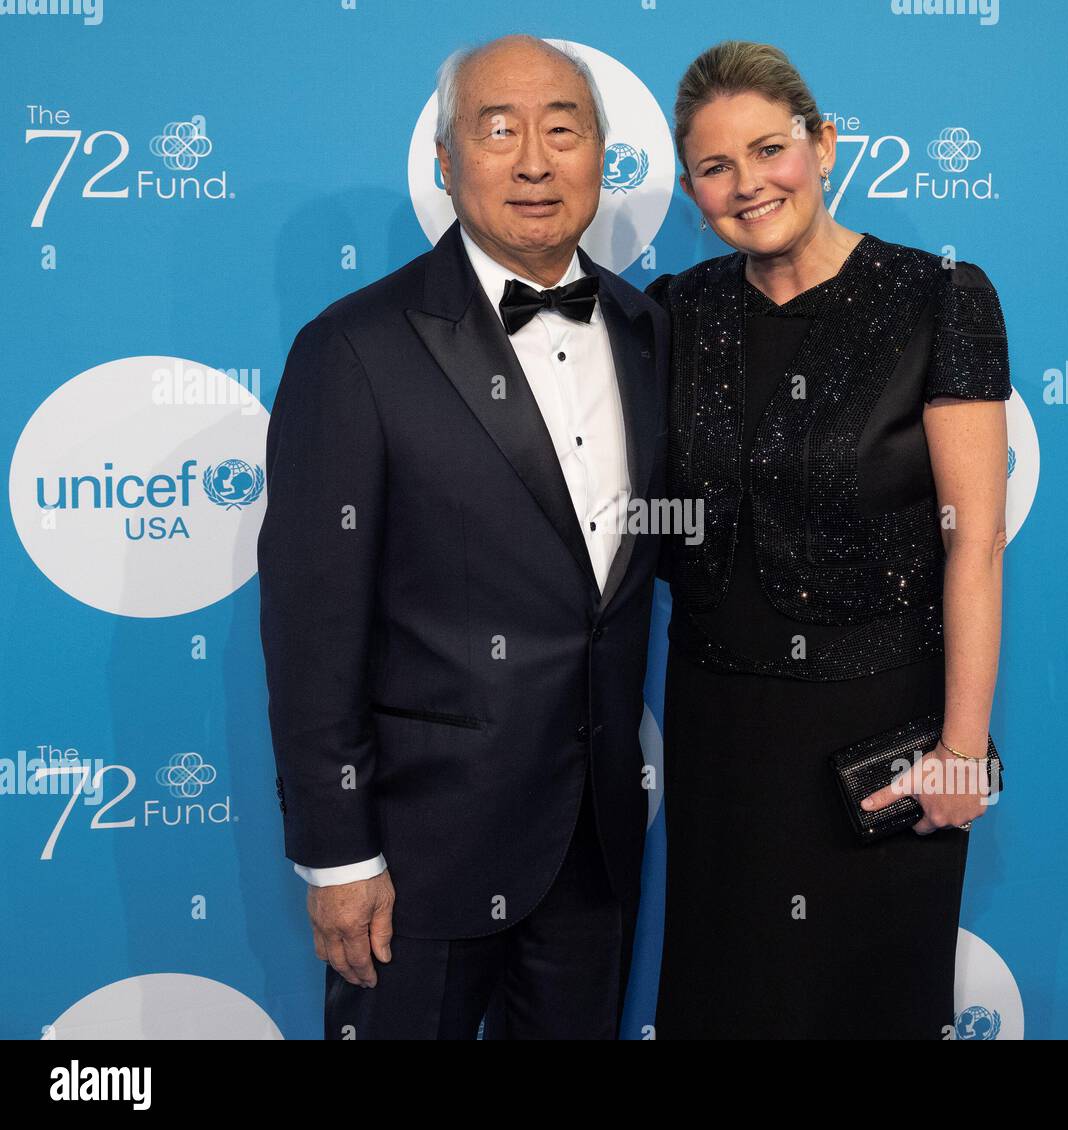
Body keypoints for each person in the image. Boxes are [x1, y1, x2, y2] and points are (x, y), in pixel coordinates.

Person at [257, 34, 668, 1039]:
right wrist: (339, 857)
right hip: (416, 856)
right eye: (498, 130)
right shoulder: (352, 348)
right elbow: (313, 627)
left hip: (594, 850)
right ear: (445, 162)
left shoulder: (645, 329)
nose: (534, 160)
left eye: (562, 130)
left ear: (601, 157)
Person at [646, 40, 1010, 1039]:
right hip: (722, 720)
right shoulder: (678, 312)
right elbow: (663, 509)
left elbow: (972, 540)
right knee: (728, 997)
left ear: (825, 143)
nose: (747, 184)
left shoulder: (938, 297)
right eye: (716, 168)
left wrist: (962, 749)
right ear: (689, 189)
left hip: (876, 730)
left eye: (770, 149)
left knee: (866, 1004)